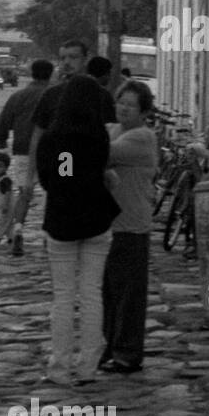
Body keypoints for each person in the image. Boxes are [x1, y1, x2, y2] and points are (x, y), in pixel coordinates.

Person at [35, 74, 120, 387]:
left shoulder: (57, 138)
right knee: (91, 294)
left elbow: (56, 177)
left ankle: (59, 366)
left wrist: (65, 178)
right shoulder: (99, 135)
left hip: (63, 220)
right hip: (97, 219)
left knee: (63, 297)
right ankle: (88, 367)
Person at [100, 80, 157, 375]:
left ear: (144, 112)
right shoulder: (114, 131)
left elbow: (99, 154)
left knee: (129, 295)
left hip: (132, 226)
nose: (123, 107)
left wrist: (65, 157)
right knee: (110, 292)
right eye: (120, 101)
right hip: (111, 225)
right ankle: (109, 347)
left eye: (130, 104)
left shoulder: (142, 137)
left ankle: (127, 353)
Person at [24, 39, 116, 205]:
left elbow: (111, 135)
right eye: (63, 58)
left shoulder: (101, 96)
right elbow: (37, 136)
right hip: (60, 167)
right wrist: (30, 177)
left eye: (73, 57)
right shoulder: (51, 95)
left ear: (85, 59)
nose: (67, 62)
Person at [0, 59, 54, 256]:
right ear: (50, 74)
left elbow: (2, 123)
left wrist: (2, 140)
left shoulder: (18, 96)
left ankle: (18, 228)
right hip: (57, 153)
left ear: (32, 73)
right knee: (55, 193)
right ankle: (48, 235)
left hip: (23, 151)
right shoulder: (56, 95)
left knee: (24, 193)